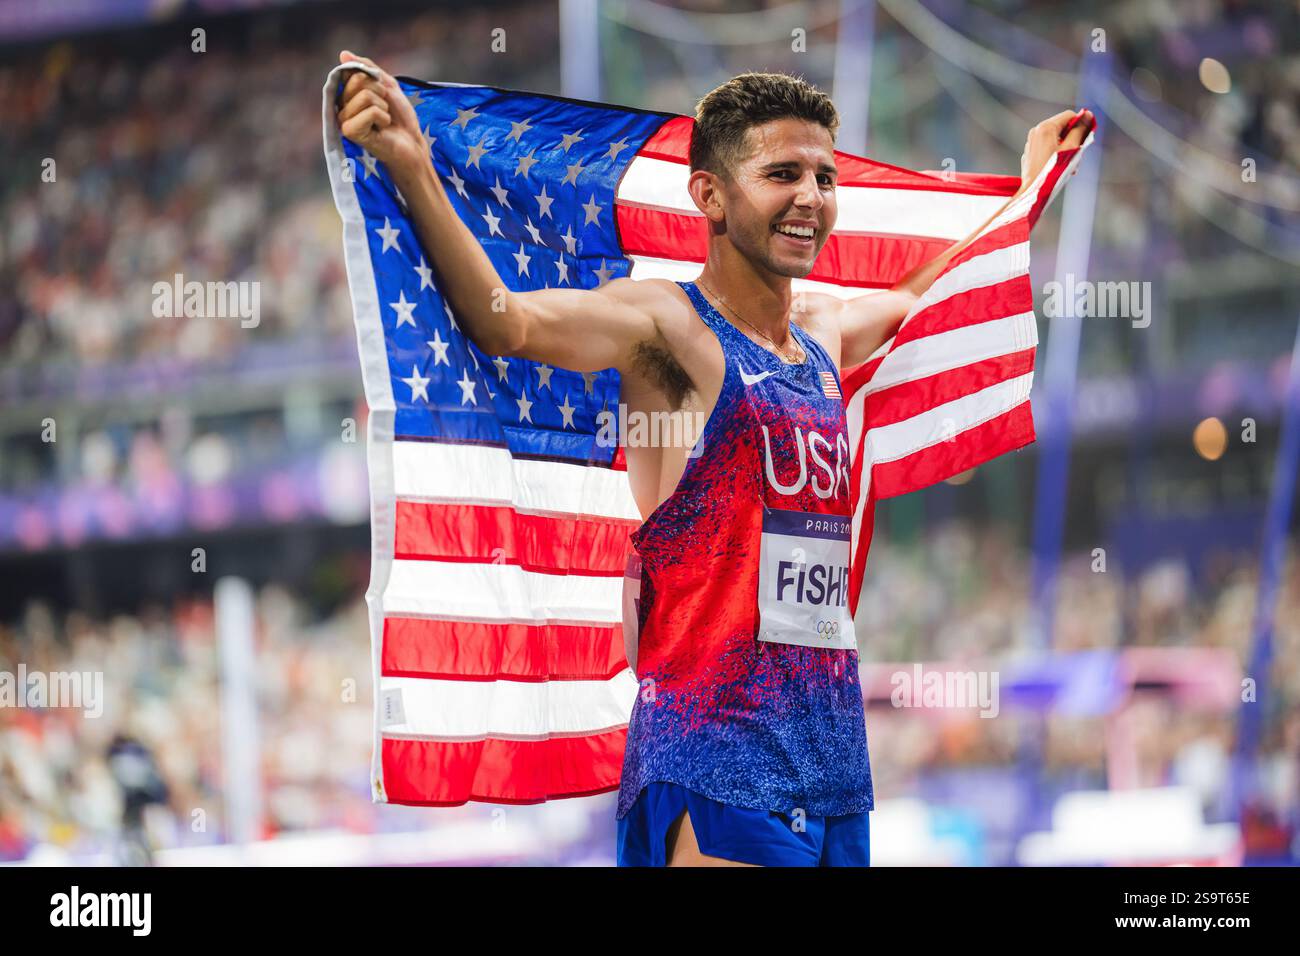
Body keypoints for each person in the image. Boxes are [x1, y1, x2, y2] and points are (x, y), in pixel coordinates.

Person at [334, 50, 1092, 866]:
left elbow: (922, 295)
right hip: (714, 754)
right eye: (782, 174)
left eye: (825, 178)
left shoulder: (822, 334)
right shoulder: (666, 326)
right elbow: (508, 323)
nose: (811, 197)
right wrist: (414, 166)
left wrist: (1030, 190)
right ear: (709, 195)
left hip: (833, 761)